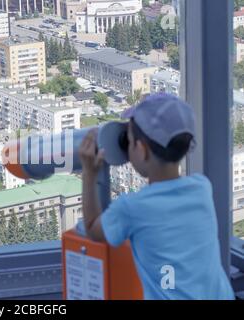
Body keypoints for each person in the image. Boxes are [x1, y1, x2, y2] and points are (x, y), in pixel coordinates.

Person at [78, 94, 235, 300]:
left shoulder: (132, 208)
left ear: (142, 150)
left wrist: (89, 173)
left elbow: (92, 228)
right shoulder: (201, 188)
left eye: (130, 141)